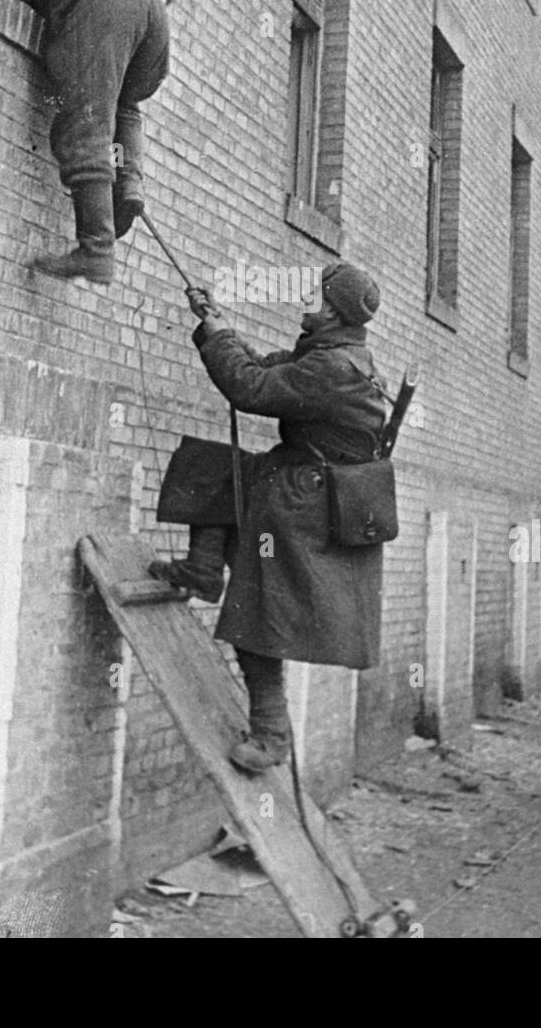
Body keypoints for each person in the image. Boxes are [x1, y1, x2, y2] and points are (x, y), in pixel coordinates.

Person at [150, 260, 388, 773]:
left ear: (333, 311)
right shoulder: (332, 355)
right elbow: (262, 368)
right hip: (302, 485)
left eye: (314, 295)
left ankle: (272, 737)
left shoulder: (332, 368)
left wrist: (219, 338)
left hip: (305, 505)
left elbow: (251, 389)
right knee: (213, 469)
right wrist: (216, 325)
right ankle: (203, 569)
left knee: (256, 616)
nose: (303, 300)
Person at [0, 0, 183, 285]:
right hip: (153, 19)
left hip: (109, 3)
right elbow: (127, 98)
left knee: (86, 121)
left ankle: (96, 250)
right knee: (122, 104)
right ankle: (128, 182)